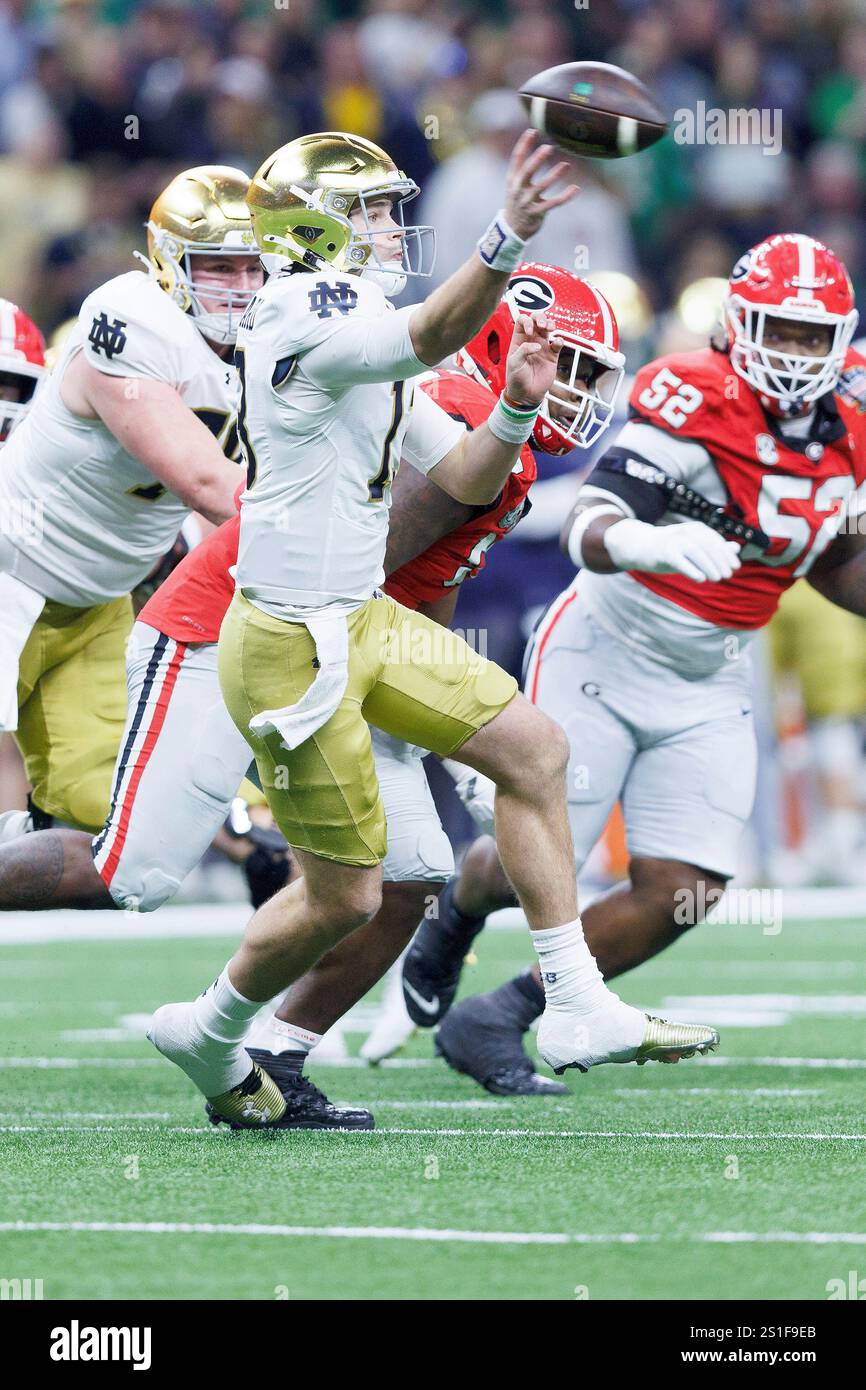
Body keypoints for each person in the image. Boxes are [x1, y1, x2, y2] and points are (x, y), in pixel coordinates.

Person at [148, 128, 717, 1130]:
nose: (388, 228)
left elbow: (454, 473)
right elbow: (417, 355)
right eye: (368, 210)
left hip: (355, 620)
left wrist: (510, 407)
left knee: (532, 752)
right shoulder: (299, 308)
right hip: (286, 638)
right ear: (314, 225)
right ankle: (208, 1025)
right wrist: (506, 235)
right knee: (343, 896)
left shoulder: (363, 319)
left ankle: (574, 1001)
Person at [397, 232, 866, 1095]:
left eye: (812, 337)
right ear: (738, 324)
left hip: (713, 671)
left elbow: (835, 556)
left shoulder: (853, 424)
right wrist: (651, 541)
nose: (796, 356)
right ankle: (457, 911)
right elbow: (590, 523)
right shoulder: (692, 391)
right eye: (781, 331)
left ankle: (500, 1015)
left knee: (685, 888)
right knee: (531, 863)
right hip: (606, 647)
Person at [0, 165, 260, 840]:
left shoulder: (272, 345)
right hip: (11, 576)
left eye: (251, 269)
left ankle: (255, 844)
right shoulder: (133, 321)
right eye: (218, 267)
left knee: (110, 808)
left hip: (98, 604)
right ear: (172, 262)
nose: (238, 288)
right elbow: (207, 484)